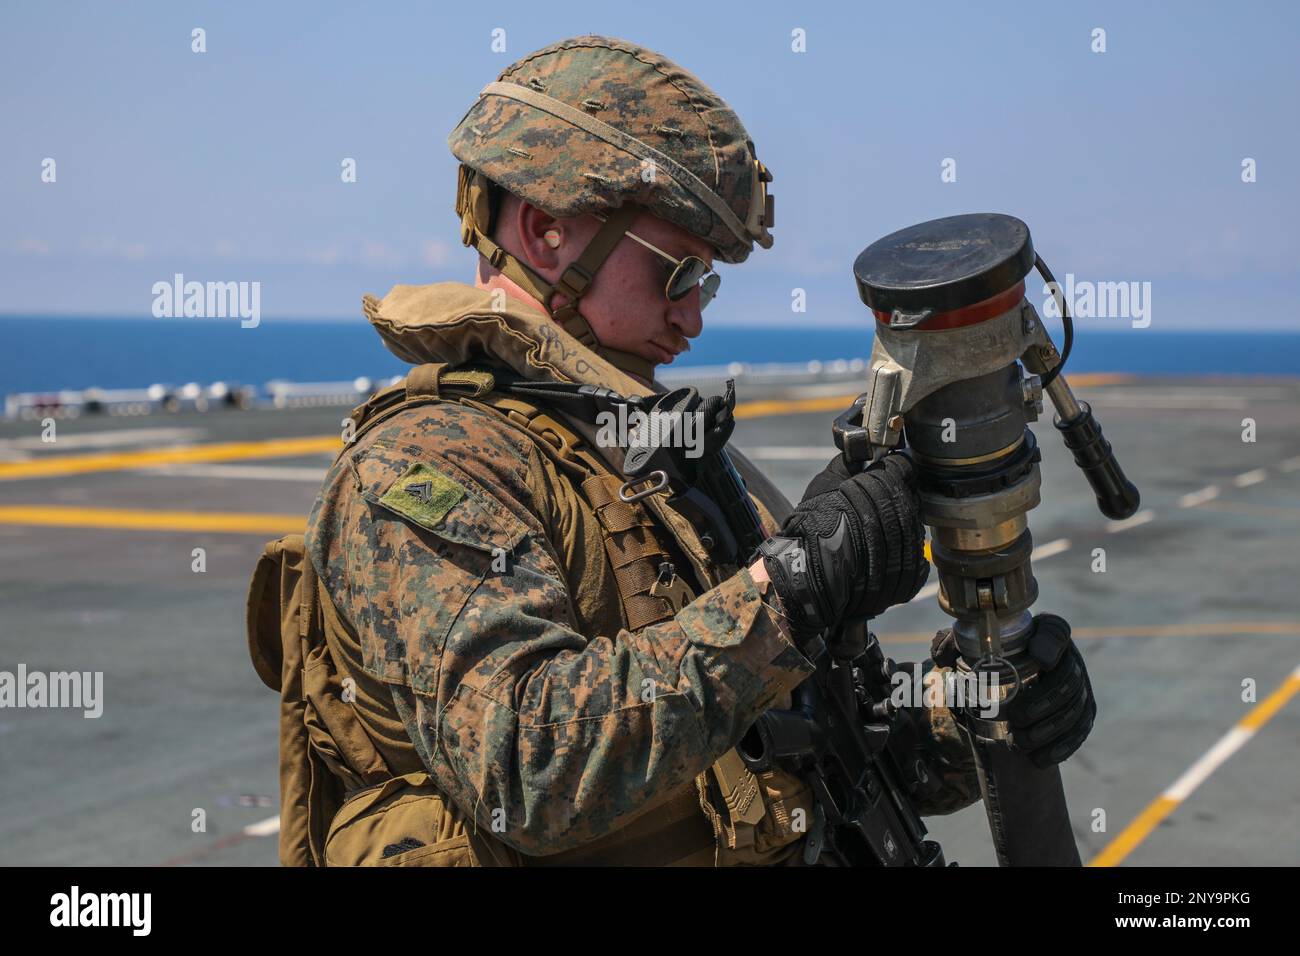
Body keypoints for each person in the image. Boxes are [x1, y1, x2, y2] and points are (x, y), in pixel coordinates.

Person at [251, 34, 1092, 867]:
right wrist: (796, 587)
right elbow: (528, 768)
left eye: (707, 284)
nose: (693, 317)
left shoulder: (657, 452)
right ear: (547, 230)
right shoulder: (424, 466)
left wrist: (973, 707)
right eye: (677, 275)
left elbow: (831, 757)